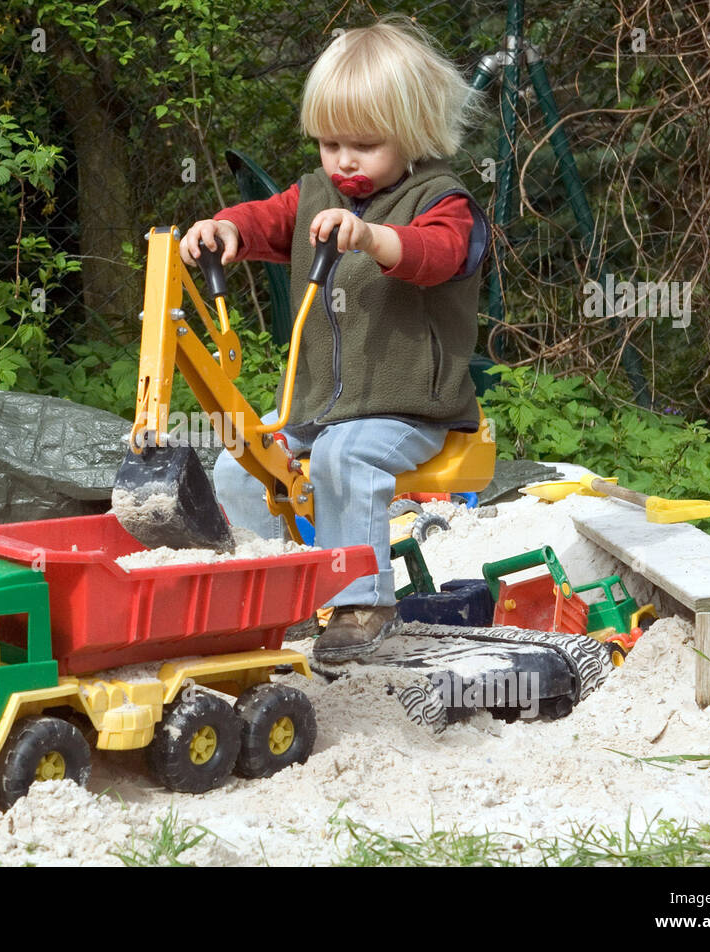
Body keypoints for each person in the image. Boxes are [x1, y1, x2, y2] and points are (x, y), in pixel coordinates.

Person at [180, 15, 490, 663]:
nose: (343, 160)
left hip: (408, 410)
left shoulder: (442, 200)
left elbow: (437, 254)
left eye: (365, 145)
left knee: (342, 459)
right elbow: (266, 220)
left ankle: (362, 602)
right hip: (316, 406)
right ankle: (275, 590)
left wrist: (374, 238)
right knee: (241, 460)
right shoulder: (315, 193)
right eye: (329, 143)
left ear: (413, 134)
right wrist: (226, 230)